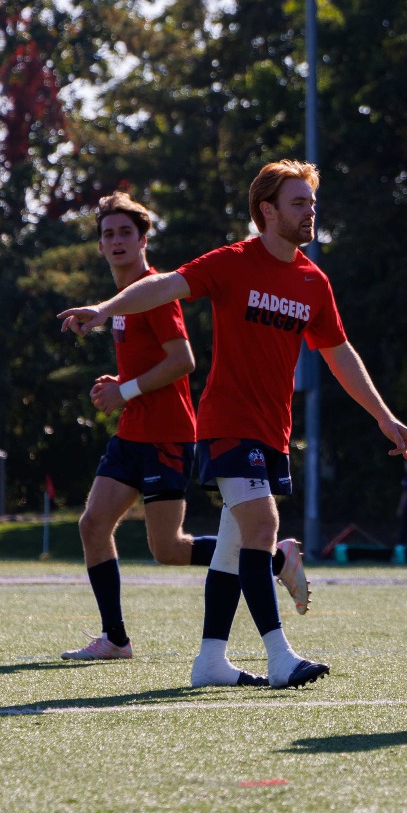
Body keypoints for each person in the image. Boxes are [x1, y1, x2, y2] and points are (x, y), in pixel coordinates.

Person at [60, 160, 407, 690]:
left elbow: (340, 354)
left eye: (311, 202)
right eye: (299, 203)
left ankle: (210, 660)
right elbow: (161, 287)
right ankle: (281, 658)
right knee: (261, 528)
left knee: (230, 546)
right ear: (267, 211)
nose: (310, 210)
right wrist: (105, 307)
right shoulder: (232, 262)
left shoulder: (313, 281)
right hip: (227, 424)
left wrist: (384, 417)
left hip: (273, 432)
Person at [61, 192, 241, 662]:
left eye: (125, 232)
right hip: (131, 432)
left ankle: (273, 557)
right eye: (108, 234)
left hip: (167, 434)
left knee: (169, 549)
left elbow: (183, 361)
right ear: (99, 246)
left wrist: (126, 390)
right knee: (93, 524)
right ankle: (116, 639)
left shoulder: (155, 291)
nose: (116, 240)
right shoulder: (121, 301)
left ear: (143, 239)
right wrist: (122, 385)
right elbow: (150, 364)